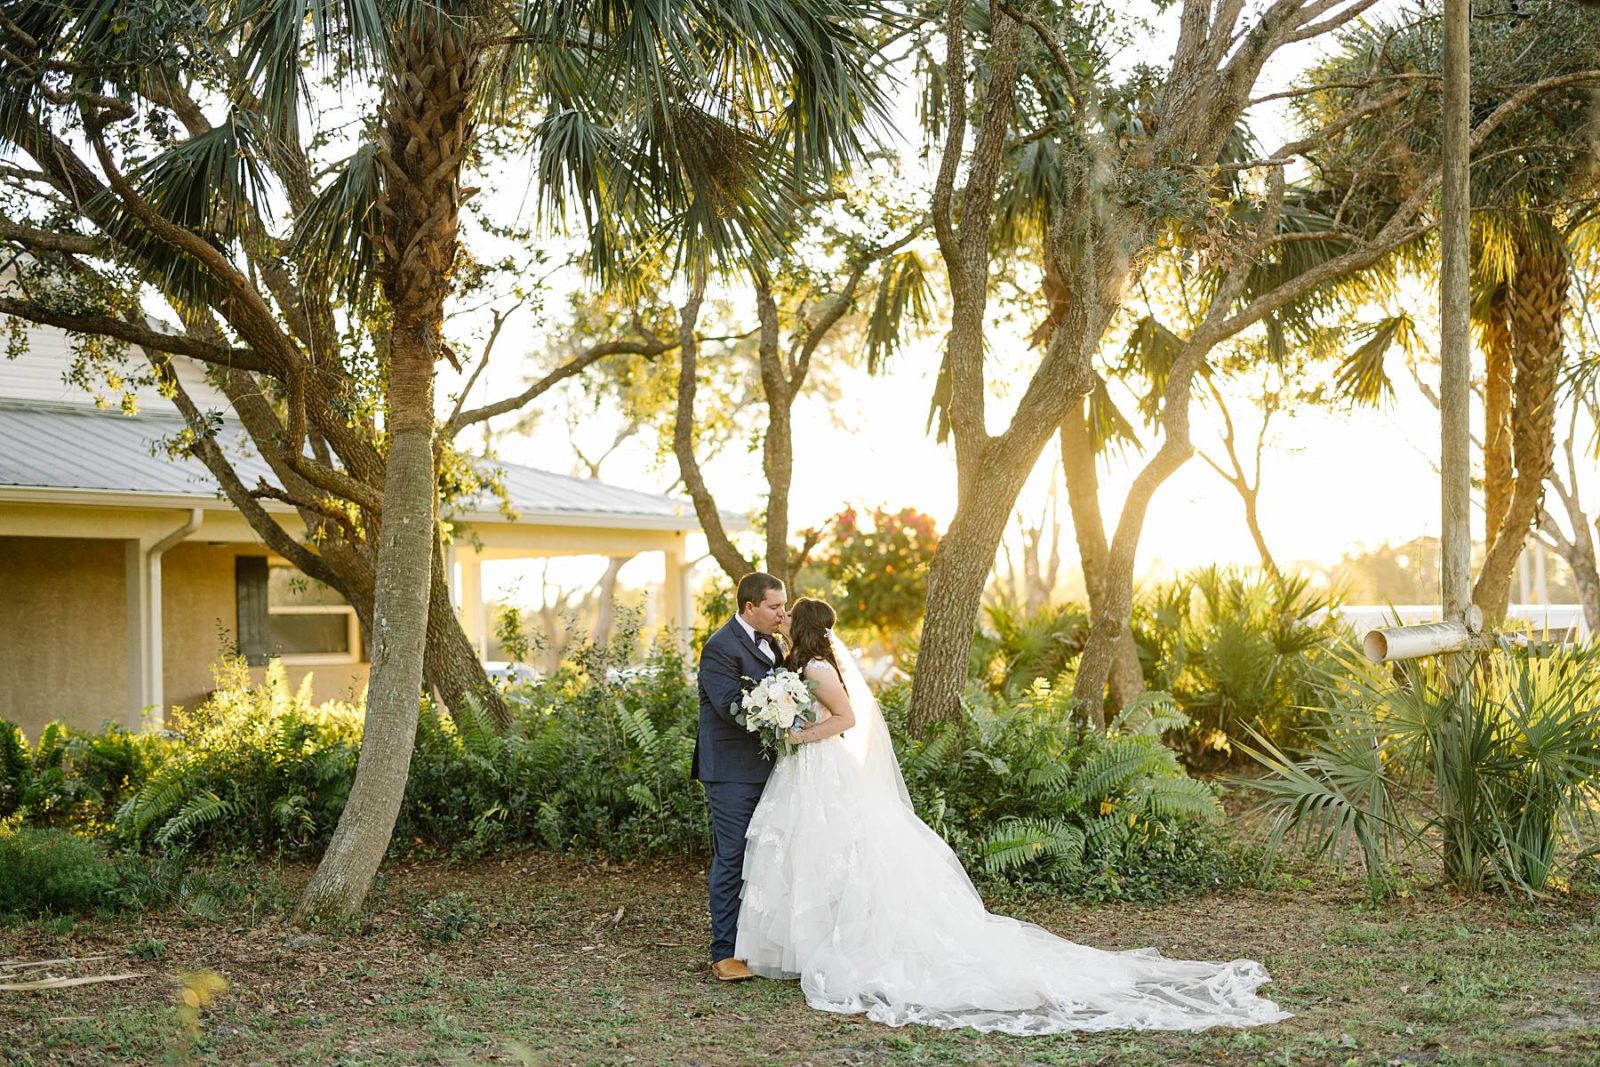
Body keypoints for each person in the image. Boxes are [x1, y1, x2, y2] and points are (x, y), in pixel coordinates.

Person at [734, 596, 1290, 1034]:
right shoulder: (796, 664)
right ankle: (808, 944)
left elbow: (847, 719)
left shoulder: (819, 669)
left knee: (840, 852)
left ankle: (839, 943)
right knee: (813, 852)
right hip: (807, 771)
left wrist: (797, 734)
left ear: (802, 626)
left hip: (823, 765)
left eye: (787, 615)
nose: (781, 619)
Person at [692, 571, 786, 982]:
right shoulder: (719, 647)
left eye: (783, 606)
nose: (782, 614)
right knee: (733, 856)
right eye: (775, 606)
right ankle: (725, 953)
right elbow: (730, 706)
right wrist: (782, 714)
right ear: (750, 607)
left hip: (771, 768)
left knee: (768, 856)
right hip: (731, 770)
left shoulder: (774, 643)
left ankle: (760, 945)